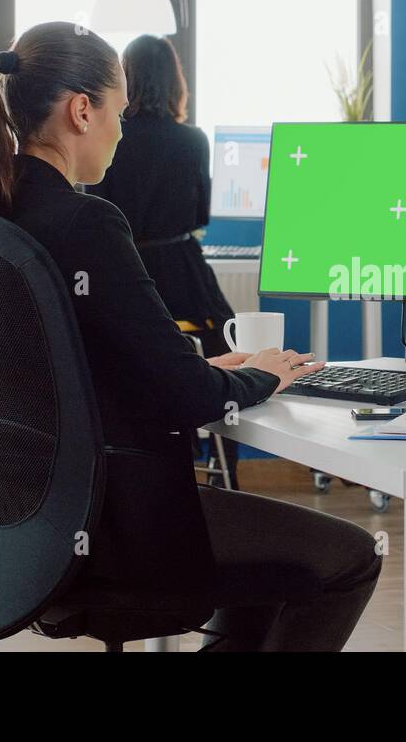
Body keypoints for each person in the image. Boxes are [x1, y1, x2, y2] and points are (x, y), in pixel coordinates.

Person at [0, 21, 381, 651]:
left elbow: (83, 367)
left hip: (37, 515)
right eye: (118, 114)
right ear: (81, 110)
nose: (123, 132)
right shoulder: (85, 223)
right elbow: (185, 397)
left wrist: (214, 367)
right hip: (124, 518)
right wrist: (263, 374)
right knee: (351, 557)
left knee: (273, 577)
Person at [86, 35, 244, 488]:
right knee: (232, 349)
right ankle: (226, 476)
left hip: (123, 275)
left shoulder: (110, 136)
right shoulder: (191, 140)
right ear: (175, 82)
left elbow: (97, 208)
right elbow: (200, 216)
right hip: (184, 279)